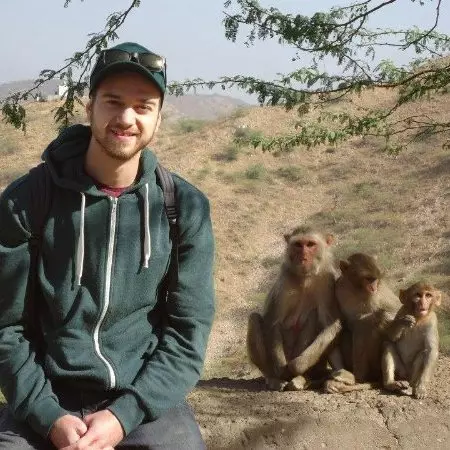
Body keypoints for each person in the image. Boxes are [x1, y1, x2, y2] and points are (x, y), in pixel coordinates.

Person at [0, 42, 215, 449]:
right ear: (89, 106)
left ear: (158, 118)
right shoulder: (27, 200)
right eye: (113, 102)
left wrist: (124, 416)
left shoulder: (183, 207)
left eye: (143, 106)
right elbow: (5, 327)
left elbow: (188, 332)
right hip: (43, 396)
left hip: (143, 400)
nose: (126, 118)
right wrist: (49, 417)